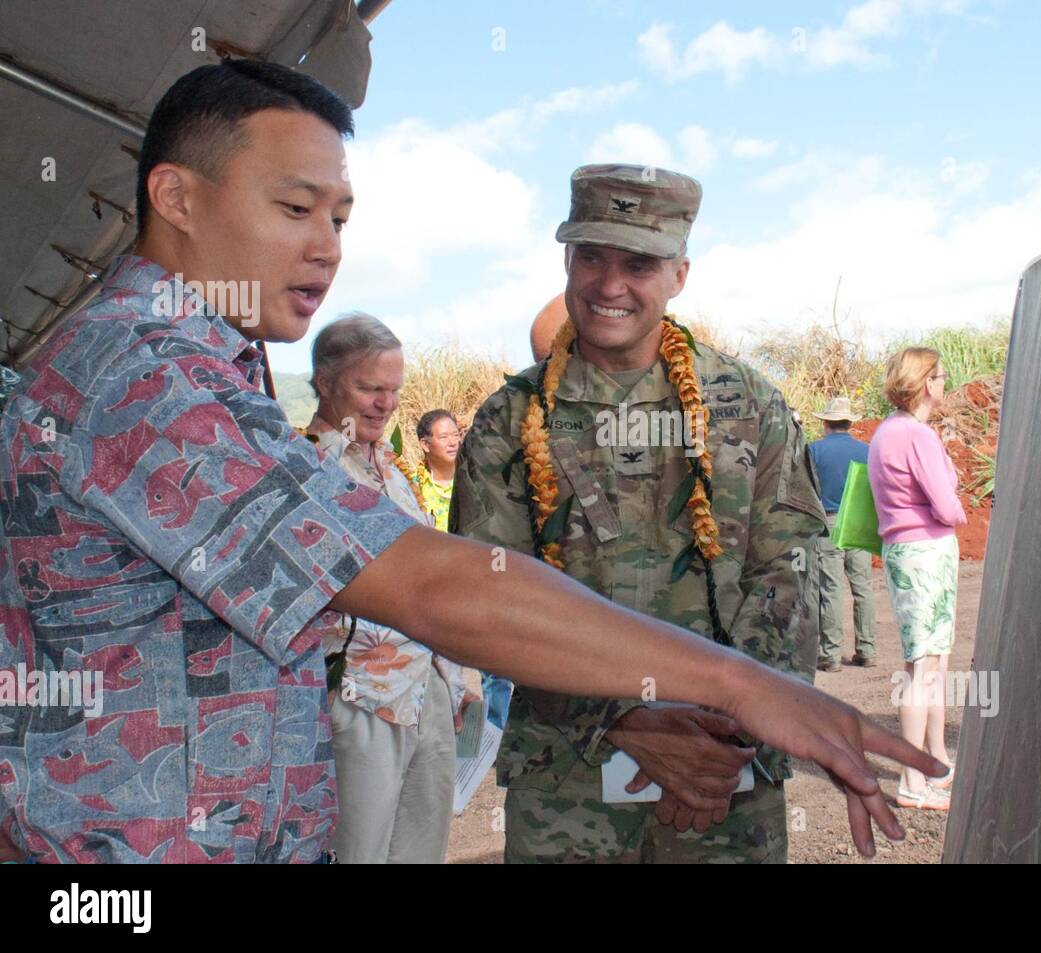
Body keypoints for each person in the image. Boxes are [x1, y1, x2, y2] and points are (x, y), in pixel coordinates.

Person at [0, 61, 942, 863]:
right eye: (295, 207)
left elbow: (783, 569)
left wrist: (738, 725)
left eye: (340, 216)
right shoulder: (147, 376)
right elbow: (445, 589)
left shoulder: (198, 363)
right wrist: (740, 686)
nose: (326, 247)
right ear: (176, 196)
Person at [454, 163, 830, 864]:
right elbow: (485, 601)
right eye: (590, 255)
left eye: (639, 262)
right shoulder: (509, 421)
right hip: (570, 787)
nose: (609, 283)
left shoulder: (750, 407)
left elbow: (792, 578)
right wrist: (624, 719)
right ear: (566, 257)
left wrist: (717, 741)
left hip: (724, 784)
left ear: (679, 273)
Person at [303, 314, 471, 863]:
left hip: (427, 687)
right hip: (359, 693)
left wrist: (452, 674)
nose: (385, 403)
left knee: (422, 849)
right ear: (325, 383)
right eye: (369, 388)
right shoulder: (304, 468)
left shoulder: (393, 474)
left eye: (393, 390)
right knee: (360, 852)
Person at [867, 348, 967, 810]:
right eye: (941, 377)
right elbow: (946, 506)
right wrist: (957, 507)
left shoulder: (888, 432)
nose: (944, 384)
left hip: (906, 553)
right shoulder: (918, 436)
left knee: (930, 664)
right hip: (927, 552)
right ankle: (912, 779)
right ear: (928, 383)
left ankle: (935, 762)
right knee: (924, 668)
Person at [411, 408, 513, 731]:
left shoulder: (477, 480)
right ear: (425, 444)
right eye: (444, 437)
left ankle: (496, 734)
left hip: (478, 585)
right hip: (434, 593)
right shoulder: (411, 487)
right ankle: (446, 731)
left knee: (496, 665)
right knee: (442, 667)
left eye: (456, 435)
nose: (453, 442)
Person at [809, 396, 877, 672]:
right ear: (850, 423)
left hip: (828, 522)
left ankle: (831, 654)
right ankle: (867, 650)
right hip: (858, 521)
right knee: (863, 588)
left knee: (831, 588)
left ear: (825, 423)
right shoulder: (866, 451)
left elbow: (808, 487)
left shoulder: (813, 450)